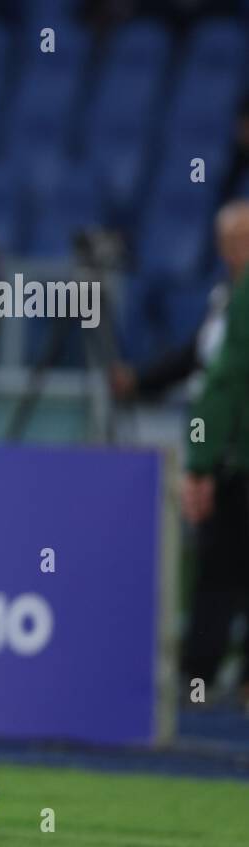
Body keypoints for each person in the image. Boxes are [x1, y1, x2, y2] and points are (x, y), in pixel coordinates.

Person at [181, 199, 249, 708]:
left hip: (236, 460)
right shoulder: (227, 293)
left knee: (218, 574)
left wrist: (201, 462)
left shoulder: (241, 297)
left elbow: (223, 382)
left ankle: (199, 685)